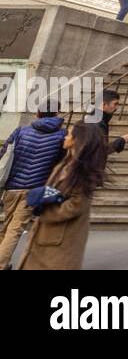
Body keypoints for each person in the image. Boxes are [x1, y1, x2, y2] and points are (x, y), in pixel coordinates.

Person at [17, 121, 108, 270]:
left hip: (59, 244)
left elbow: (76, 205)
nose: (65, 137)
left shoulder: (81, 172)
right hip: (47, 239)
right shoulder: (67, 163)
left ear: (77, 141)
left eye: (69, 134)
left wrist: (46, 211)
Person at [0, 108, 65, 269]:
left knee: (7, 226)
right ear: (57, 113)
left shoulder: (21, 131)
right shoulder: (61, 135)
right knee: (15, 230)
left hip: (12, 187)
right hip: (34, 190)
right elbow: (61, 162)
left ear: (37, 114)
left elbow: (4, 152)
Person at [98, 90, 128, 156]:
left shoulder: (99, 120)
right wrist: (122, 140)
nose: (116, 108)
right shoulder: (98, 123)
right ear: (104, 104)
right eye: (115, 104)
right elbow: (100, 150)